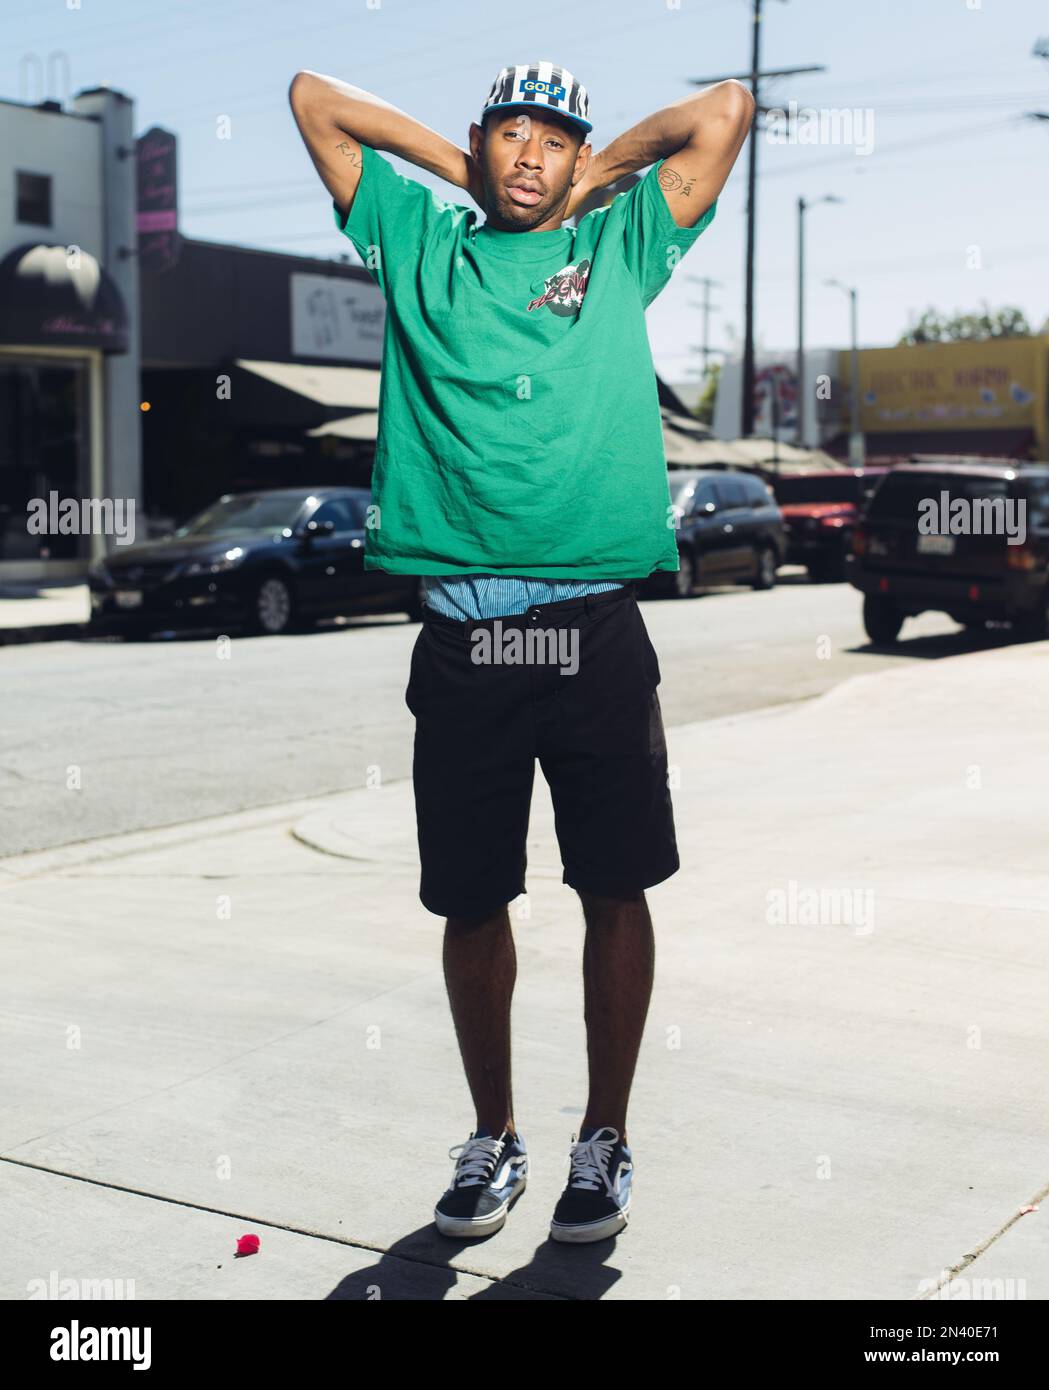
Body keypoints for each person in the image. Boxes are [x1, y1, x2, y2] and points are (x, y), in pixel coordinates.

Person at [289, 60, 752, 1244]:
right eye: (511, 136)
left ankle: (604, 1138)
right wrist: (459, 175)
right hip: (463, 639)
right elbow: (312, 99)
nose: (532, 155)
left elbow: (723, 109)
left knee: (616, 885)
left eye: (556, 139)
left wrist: (600, 176)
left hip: (593, 630)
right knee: (470, 899)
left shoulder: (620, 249)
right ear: (479, 142)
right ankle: (492, 1135)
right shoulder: (416, 242)